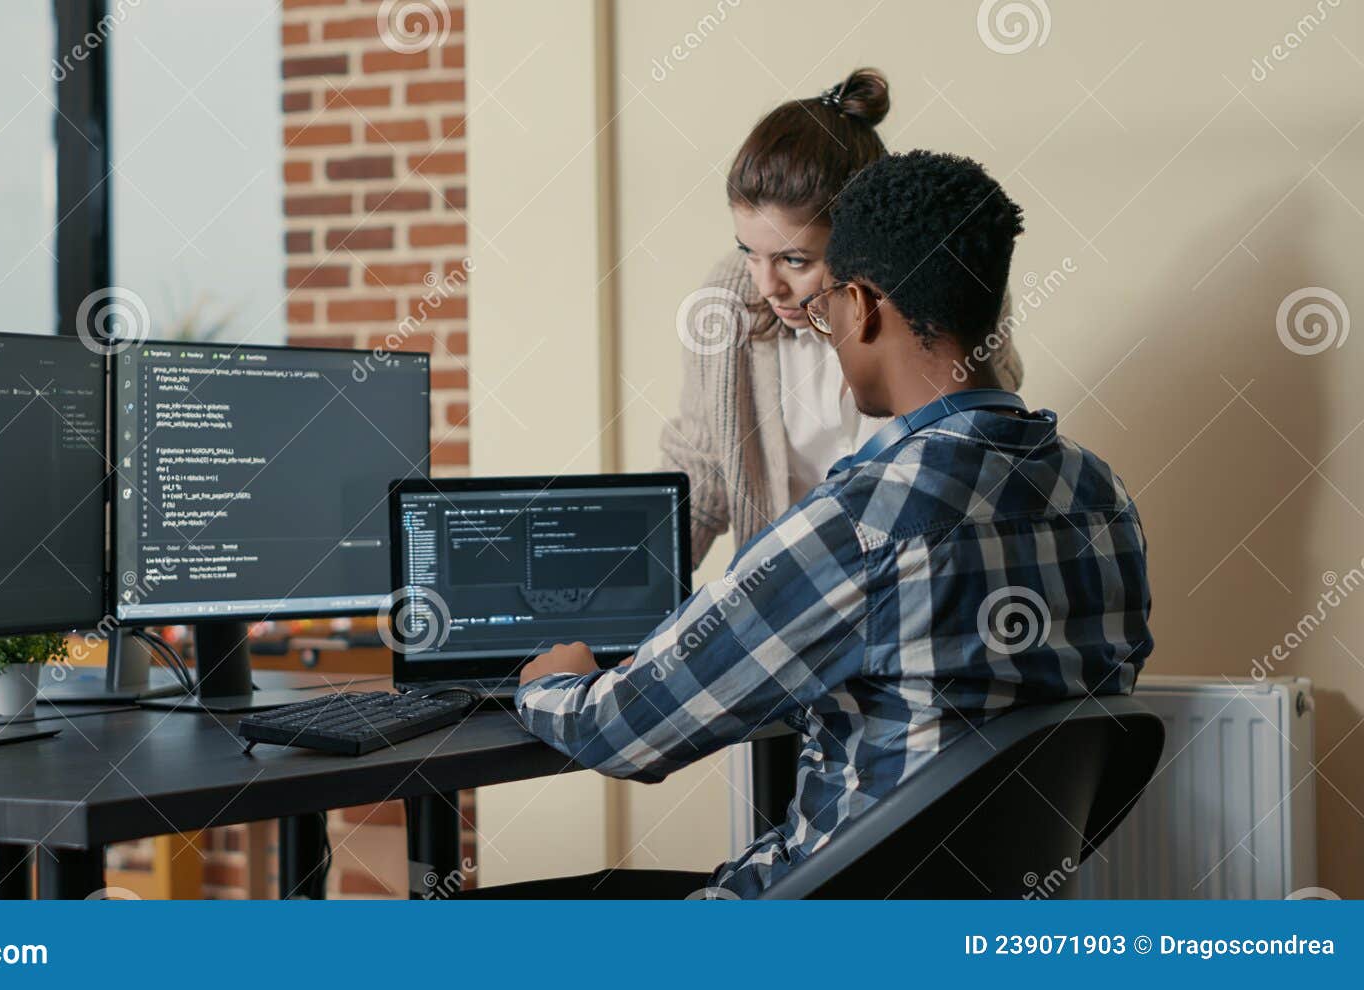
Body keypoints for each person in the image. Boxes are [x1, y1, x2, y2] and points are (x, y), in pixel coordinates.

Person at [491, 150, 1153, 899]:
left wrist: (554, 684)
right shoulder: (1103, 496)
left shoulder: (862, 523)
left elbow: (622, 731)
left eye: (825, 300)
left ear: (860, 305)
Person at [663, 68, 1023, 568]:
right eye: (749, 252)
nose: (767, 286)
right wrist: (626, 590)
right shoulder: (727, 304)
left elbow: (983, 446)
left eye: (794, 260)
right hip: (791, 588)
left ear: (856, 243)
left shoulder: (937, 291)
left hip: (923, 575)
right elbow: (702, 479)